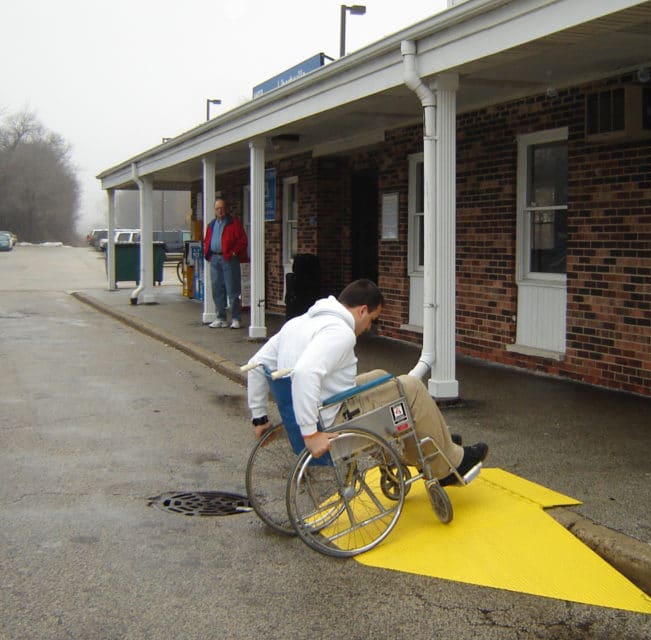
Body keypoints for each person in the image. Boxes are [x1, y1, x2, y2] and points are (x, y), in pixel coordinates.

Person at [246, 279, 488, 486]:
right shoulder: (339, 332)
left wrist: (260, 417)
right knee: (411, 388)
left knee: (381, 377)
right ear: (362, 310)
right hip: (333, 421)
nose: (369, 326)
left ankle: (438, 441)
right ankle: (449, 466)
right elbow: (304, 373)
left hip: (324, 405)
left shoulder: (298, 324)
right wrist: (311, 434)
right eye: (372, 318)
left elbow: (256, 365)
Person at [203, 198, 248, 329]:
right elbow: (207, 240)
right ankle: (220, 317)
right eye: (217, 209)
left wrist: (234, 252)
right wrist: (207, 252)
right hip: (215, 259)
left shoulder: (233, 223)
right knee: (217, 289)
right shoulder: (211, 225)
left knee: (232, 289)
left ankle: (235, 318)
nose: (220, 211)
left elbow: (242, 241)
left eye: (222, 208)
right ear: (214, 210)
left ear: (225, 208)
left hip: (229, 259)